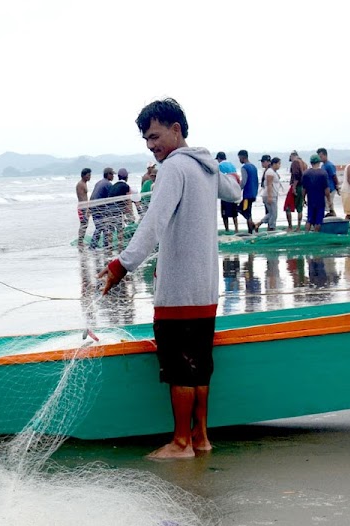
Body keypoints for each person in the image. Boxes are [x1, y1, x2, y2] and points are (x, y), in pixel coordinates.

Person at [98, 98, 241, 459]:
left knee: (180, 368)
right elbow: (236, 193)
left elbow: (153, 223)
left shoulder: (174, 169)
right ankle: (201, 439)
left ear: (177, 130)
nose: (151, 145)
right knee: (199, 365)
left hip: (178, 288)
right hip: (206, 285)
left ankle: (180, 443)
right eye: (146, 140)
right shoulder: (205, 167)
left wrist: (121, 265)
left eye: (155, 136)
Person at [87, 167, 116, 248]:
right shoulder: (108, 184)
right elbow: (111, 199)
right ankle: (97, 246)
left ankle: (95, 246)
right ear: (108, 174)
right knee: (102, 228)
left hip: (93, 207)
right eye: (112, 174)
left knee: (100, 227)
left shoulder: (99, 182)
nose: (113, 176)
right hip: (99, 208)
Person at [300, 154, 329, 232]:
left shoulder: (306, 173)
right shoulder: (323, 173)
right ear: (319, 162)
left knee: (309, 219)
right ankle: (316, 235)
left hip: (311, 199)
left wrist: (303, 199)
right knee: (319, 220)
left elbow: (304, 189)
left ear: (311, 162)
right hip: (320, 200)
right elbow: (326, 189)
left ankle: (306, 234)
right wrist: (329, 200)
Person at [216, 152, 241, 231]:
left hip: (225, 191)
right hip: (233, 190)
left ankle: (227, 229)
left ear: (219, 158)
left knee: (224, 214)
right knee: (234, 213)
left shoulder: (220, 166)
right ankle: (236, 228)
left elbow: (219, 178)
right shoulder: (232, 165)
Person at [256, 157, 281, 231]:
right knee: (273, 214)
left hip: (274, 194)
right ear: (274, 164)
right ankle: (271, 228)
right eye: (279, 164)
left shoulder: (273, 171)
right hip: (270, 195)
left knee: (271, 213)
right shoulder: (270, 172)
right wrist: (270, 196)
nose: (279, 165)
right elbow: (269, 184)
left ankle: (258, 224)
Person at [237, 150, 259, 233]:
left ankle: (252, 227)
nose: (239, 160)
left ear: (242, 157)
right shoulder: (254, 167)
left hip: (247, 194)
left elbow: (244, 181)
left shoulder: (244, 168)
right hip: (253, 193)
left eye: (239, 158)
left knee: (244, 211)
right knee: (247, 211)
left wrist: (238, 189)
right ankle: (251, 228)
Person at [286, 150, 305, 231]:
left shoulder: (295, 162)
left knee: (287, 207)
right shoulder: (303, 163)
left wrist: (293, 187)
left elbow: (296, 175)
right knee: (299, 208)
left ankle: (290, 227)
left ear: (292, 156)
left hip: (296, 186)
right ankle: (298, 226)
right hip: (302, 187)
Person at [317, 148, 339, 216]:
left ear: (325, 155)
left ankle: (333, 217)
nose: (320, 158)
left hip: (331, 188)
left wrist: (337, 187)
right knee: (328, 205)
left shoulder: (329, 165)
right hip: (325, 189)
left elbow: (334, 176)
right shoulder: (323, 165)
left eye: (321, 156)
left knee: (329, 204)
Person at [76, 167, 93, 246]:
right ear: (84, 176)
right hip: (82, 207)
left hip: (85, 207)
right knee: (83, 224)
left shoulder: (84, 183)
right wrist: (86, 209)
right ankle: (80, 242)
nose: (90, 177)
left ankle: (81, 241)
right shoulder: (80, 184)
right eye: (88, 175)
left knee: (85, 225)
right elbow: (81, 198)